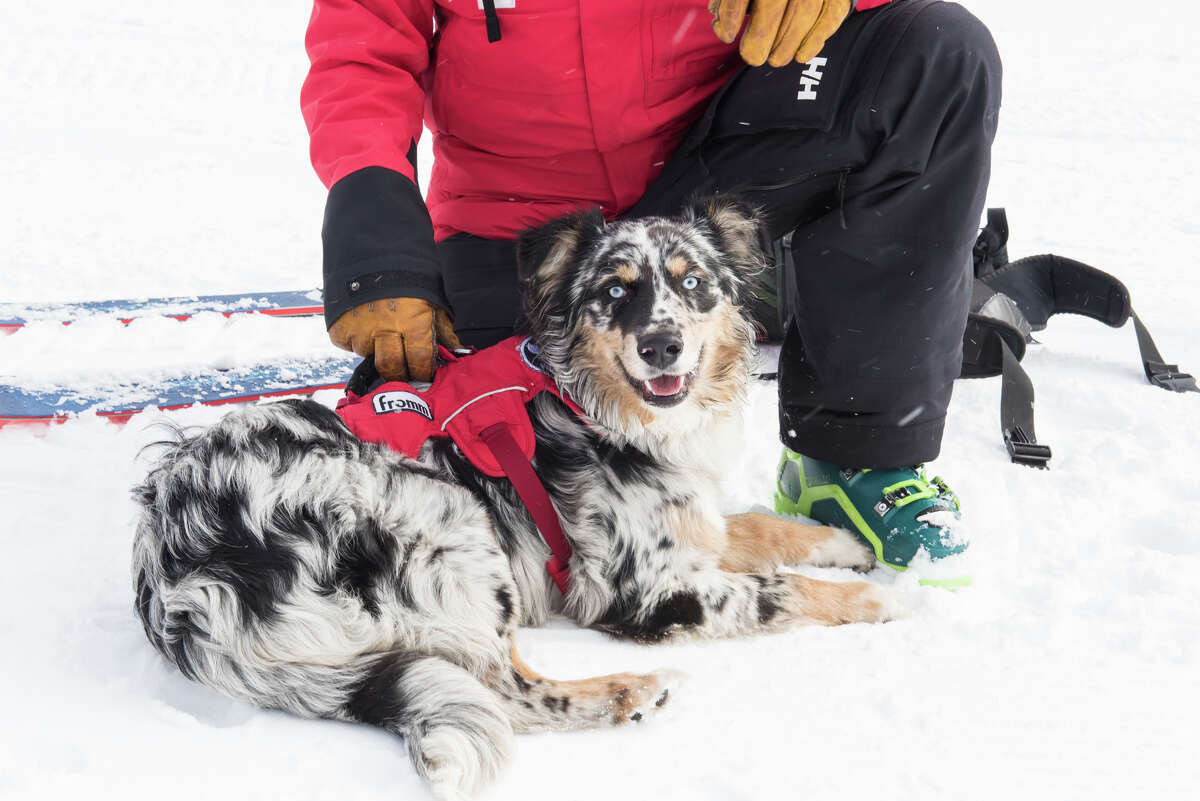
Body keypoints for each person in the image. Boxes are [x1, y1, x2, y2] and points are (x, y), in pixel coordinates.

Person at [301, 0, 1001, 585]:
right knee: (511, 498)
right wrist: (380, 239)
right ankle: (762, 291)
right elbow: (364, 39)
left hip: (703, 165)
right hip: (524, 229)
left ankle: (852, 455)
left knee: (936, 55)